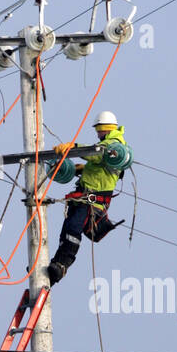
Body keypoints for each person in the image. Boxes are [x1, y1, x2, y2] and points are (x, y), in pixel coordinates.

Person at [44, 111, 128, 284]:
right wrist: (82, 169)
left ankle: (62, 265)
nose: (97, 134)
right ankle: (56, 264)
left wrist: (73, 148)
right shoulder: (108, 144)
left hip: (92, 200)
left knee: (74, 227)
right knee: (68, 227)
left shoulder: (113, 145)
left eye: (99, 130)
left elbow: (97, 154)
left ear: (105, 128)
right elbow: (98, 167)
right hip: (83, 197)